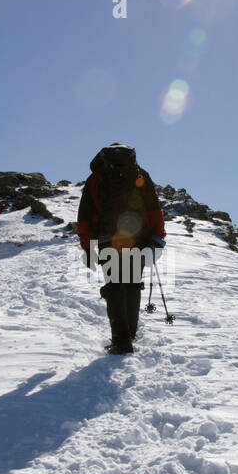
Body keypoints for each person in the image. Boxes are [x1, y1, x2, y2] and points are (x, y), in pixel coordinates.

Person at [77, 142, 166, 353]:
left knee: (114, 286)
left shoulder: (95, 178)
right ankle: (131, 334)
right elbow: (154, 209)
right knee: (132, 285)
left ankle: (121, 340)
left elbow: (84, 216)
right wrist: (158, 238)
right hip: (138, 239)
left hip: (109, 240)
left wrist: (87, 247)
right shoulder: (140, 174)